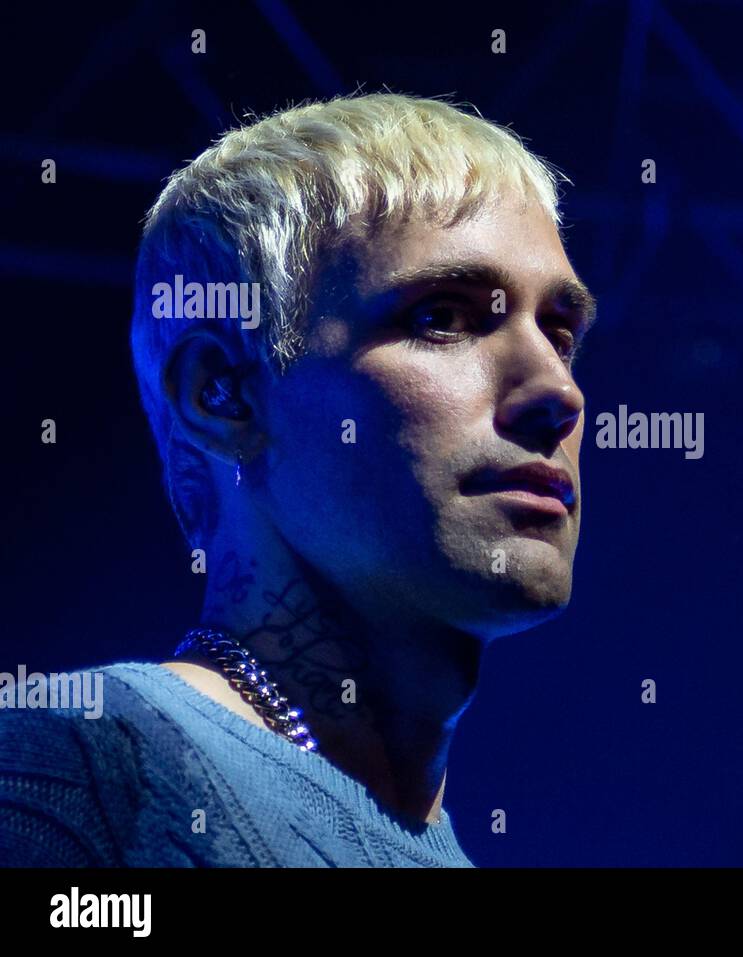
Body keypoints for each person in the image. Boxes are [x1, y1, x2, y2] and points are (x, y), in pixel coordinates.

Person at [0, 92, 596, 866]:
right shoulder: (75, 771)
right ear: (224, 391)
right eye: (443, 316)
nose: (559, 392)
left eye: (560, 331)